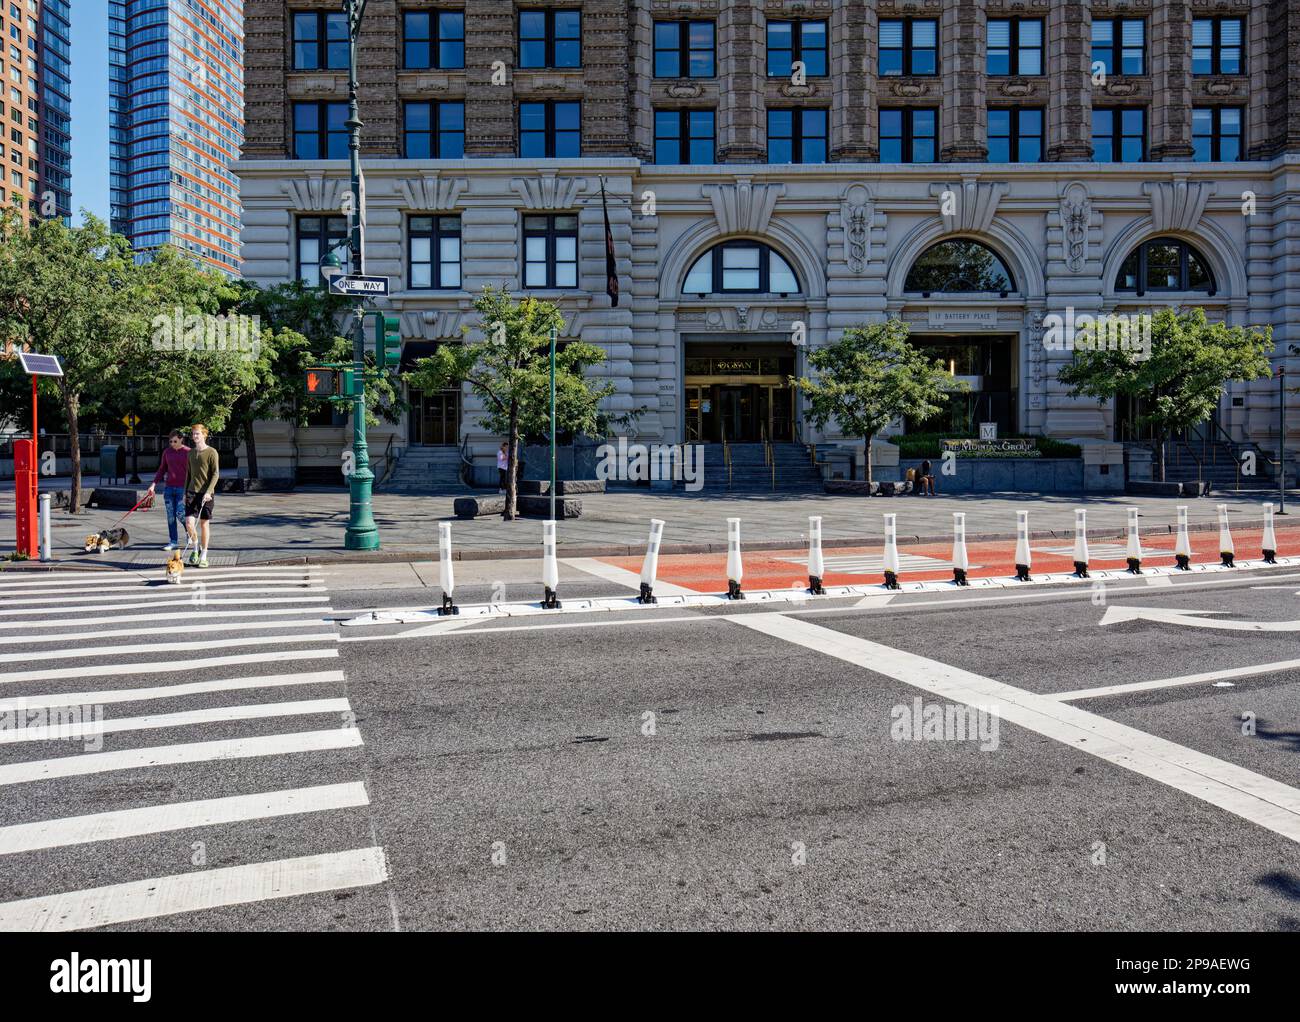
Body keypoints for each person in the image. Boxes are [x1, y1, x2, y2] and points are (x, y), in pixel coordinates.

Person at [146, 429, 190, 550]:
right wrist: (153, 484)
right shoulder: (167, 452)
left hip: (183, 488)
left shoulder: (188, 452)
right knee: (170, 516)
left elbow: (192, 472)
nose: (172, 443)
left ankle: (189, 531)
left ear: (181, 439)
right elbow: (162, 469)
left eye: (175, 441)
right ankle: (173, 541)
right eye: (170, 441)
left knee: (180, 513)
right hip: (169, 488)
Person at [184, 423, 221, 568]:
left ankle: (204, 554)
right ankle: (195, 548)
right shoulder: (191, 453)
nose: (194, 436)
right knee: (188, 523)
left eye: (197, 434)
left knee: (204, 524)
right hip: (191, 492)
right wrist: (184, 492)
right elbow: (188, 474)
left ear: (204, 435)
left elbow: (216, 474)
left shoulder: (212, 452)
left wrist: (209, 491)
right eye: (193, 434)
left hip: (206, 494)